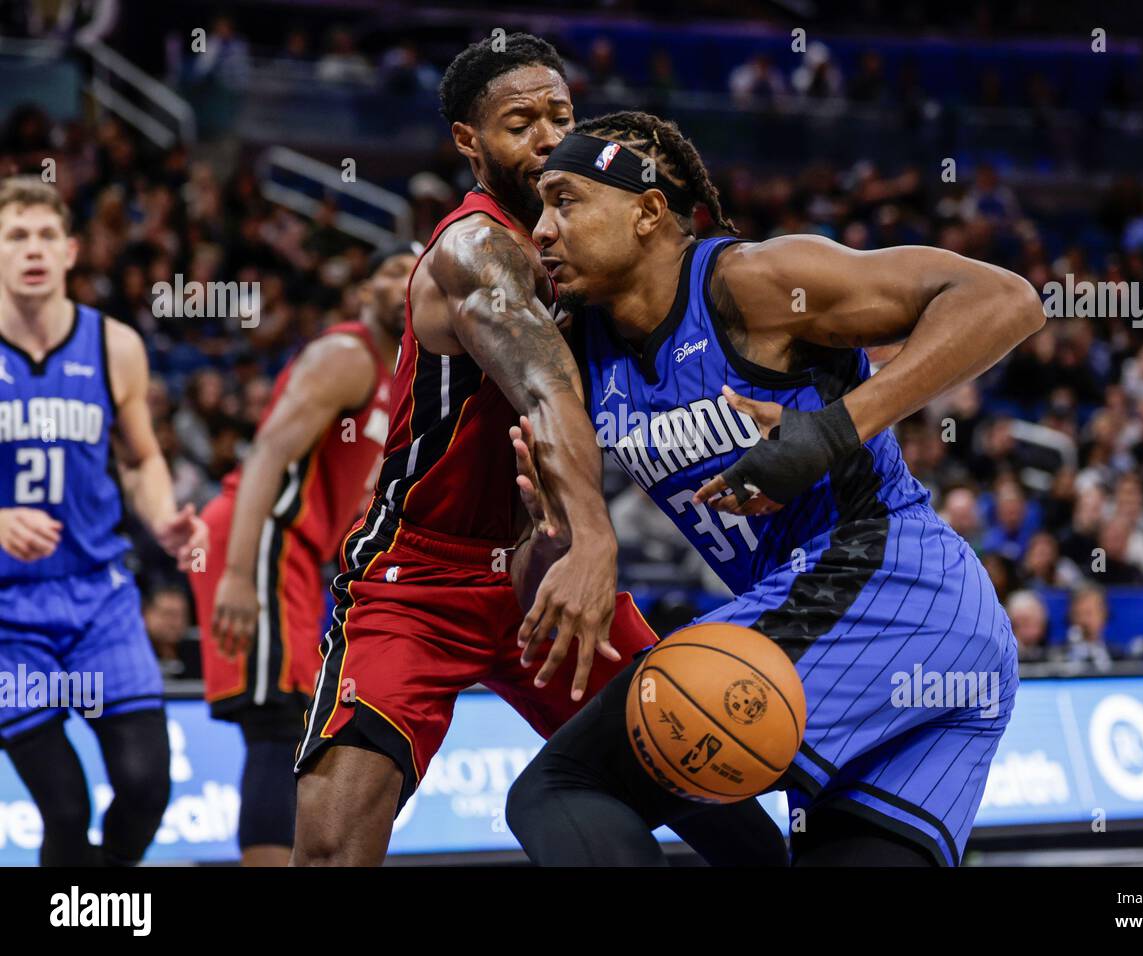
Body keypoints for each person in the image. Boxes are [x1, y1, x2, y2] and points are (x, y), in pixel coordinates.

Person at [290, 36, 783, 867]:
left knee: (724, 798)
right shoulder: (473, 249)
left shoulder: (592, 244)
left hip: (535, 571)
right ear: (468, 141)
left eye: (561, 113)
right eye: (521, 121)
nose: (551, 134)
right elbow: (548, 389)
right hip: (421, 575)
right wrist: (594, 540)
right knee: (335, 848)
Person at [505, 110, 1043, 866]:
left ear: (649, 211)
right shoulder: (583, 350)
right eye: (537, 208)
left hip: (874, 579)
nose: (543, 229)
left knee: (561, 788)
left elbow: (1005, 300)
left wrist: (826, 433)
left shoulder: (751, 283)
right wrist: (553, 533)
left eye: (566, 201)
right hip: (932, 637)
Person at [0, 177, 208, 865]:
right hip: (8, 616)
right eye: (15, 235)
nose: (31, 249)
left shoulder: (114, 344)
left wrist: (164, 519)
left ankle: (100, 900)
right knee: (64, 808)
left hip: (100, 598)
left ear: (70, 251)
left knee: (146, 786)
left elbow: (143, 459)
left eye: (43, 236)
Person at [186, 247, 413, 866]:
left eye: (416, 273)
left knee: (289, 723)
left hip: (293, 552)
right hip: (258, 536)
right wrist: (236, 572)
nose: (404, 284)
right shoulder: (346, 355)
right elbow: (264, 455)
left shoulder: (410, 379)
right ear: (363, 291)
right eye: (391, 271)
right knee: (276, 724)